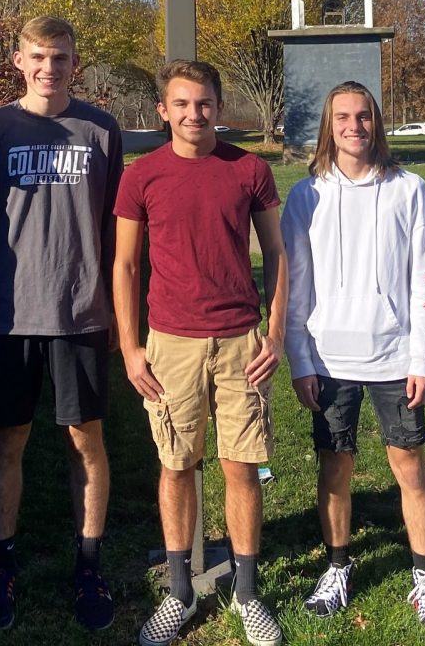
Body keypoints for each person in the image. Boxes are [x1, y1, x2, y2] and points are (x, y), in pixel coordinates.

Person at [113, 60, 288, 646]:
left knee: (242, 467)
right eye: (182, 104)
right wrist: (130, 347)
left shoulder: (249, 169)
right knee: (176, 465)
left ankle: (247, 593)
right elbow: (126, 265)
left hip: (240, 341)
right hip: (171, 343)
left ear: (219, 106)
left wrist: (275, 332)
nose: (195, 113)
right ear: (163, 111)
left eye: (204, 103)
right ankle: (179, 592)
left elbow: (277, 254)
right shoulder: (142, 175)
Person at [0, 16, 123, 632]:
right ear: (19, 61)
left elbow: (117, 230)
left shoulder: (100, 129)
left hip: (82, 311)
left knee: (86, 440)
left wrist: (120, 310)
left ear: (75, 63)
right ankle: (1, 567)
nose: (49, 67)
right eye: (38, 56)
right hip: (8, 315)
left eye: (60, 57)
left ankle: (89, 564)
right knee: (6, 441)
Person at [281, 80, 425, 632]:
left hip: (395, 359)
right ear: (328, 127)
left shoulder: (409, 190)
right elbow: (294, 288)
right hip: (329, 361)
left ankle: (424, 578)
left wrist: (423, 358)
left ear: (376, 122)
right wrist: (300, 360)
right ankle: (338, 567)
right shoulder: (306, 196)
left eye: (364, 116)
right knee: (335, 466)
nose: (354, 127)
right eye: (343, 118)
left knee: (409, 465)